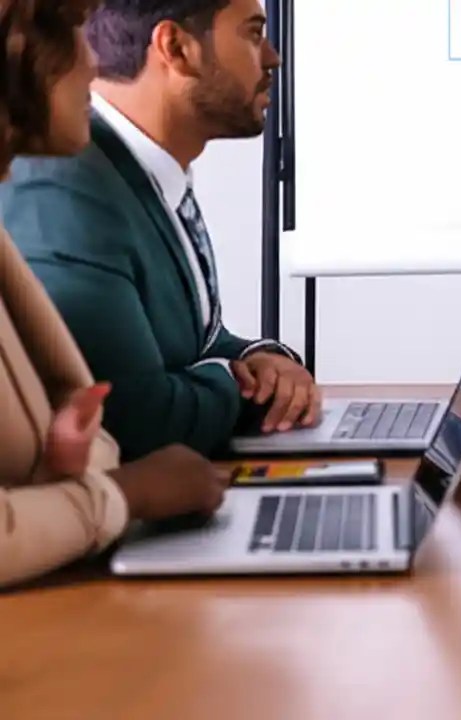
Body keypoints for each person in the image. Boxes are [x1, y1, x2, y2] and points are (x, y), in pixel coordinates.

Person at [0, 0, 318, 462]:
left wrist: (267, 361)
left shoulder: (144, 172)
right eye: (253, 33)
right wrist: (238, 382)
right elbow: (137, 416)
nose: (273, 56)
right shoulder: (64, 184)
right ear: (176, 48)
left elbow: (192, 346)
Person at [0, 0, 230, 588]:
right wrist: (122, 494)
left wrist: (59, 466)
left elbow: (85, 422)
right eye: (73, 33)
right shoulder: (57, 192)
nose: (93, 62)